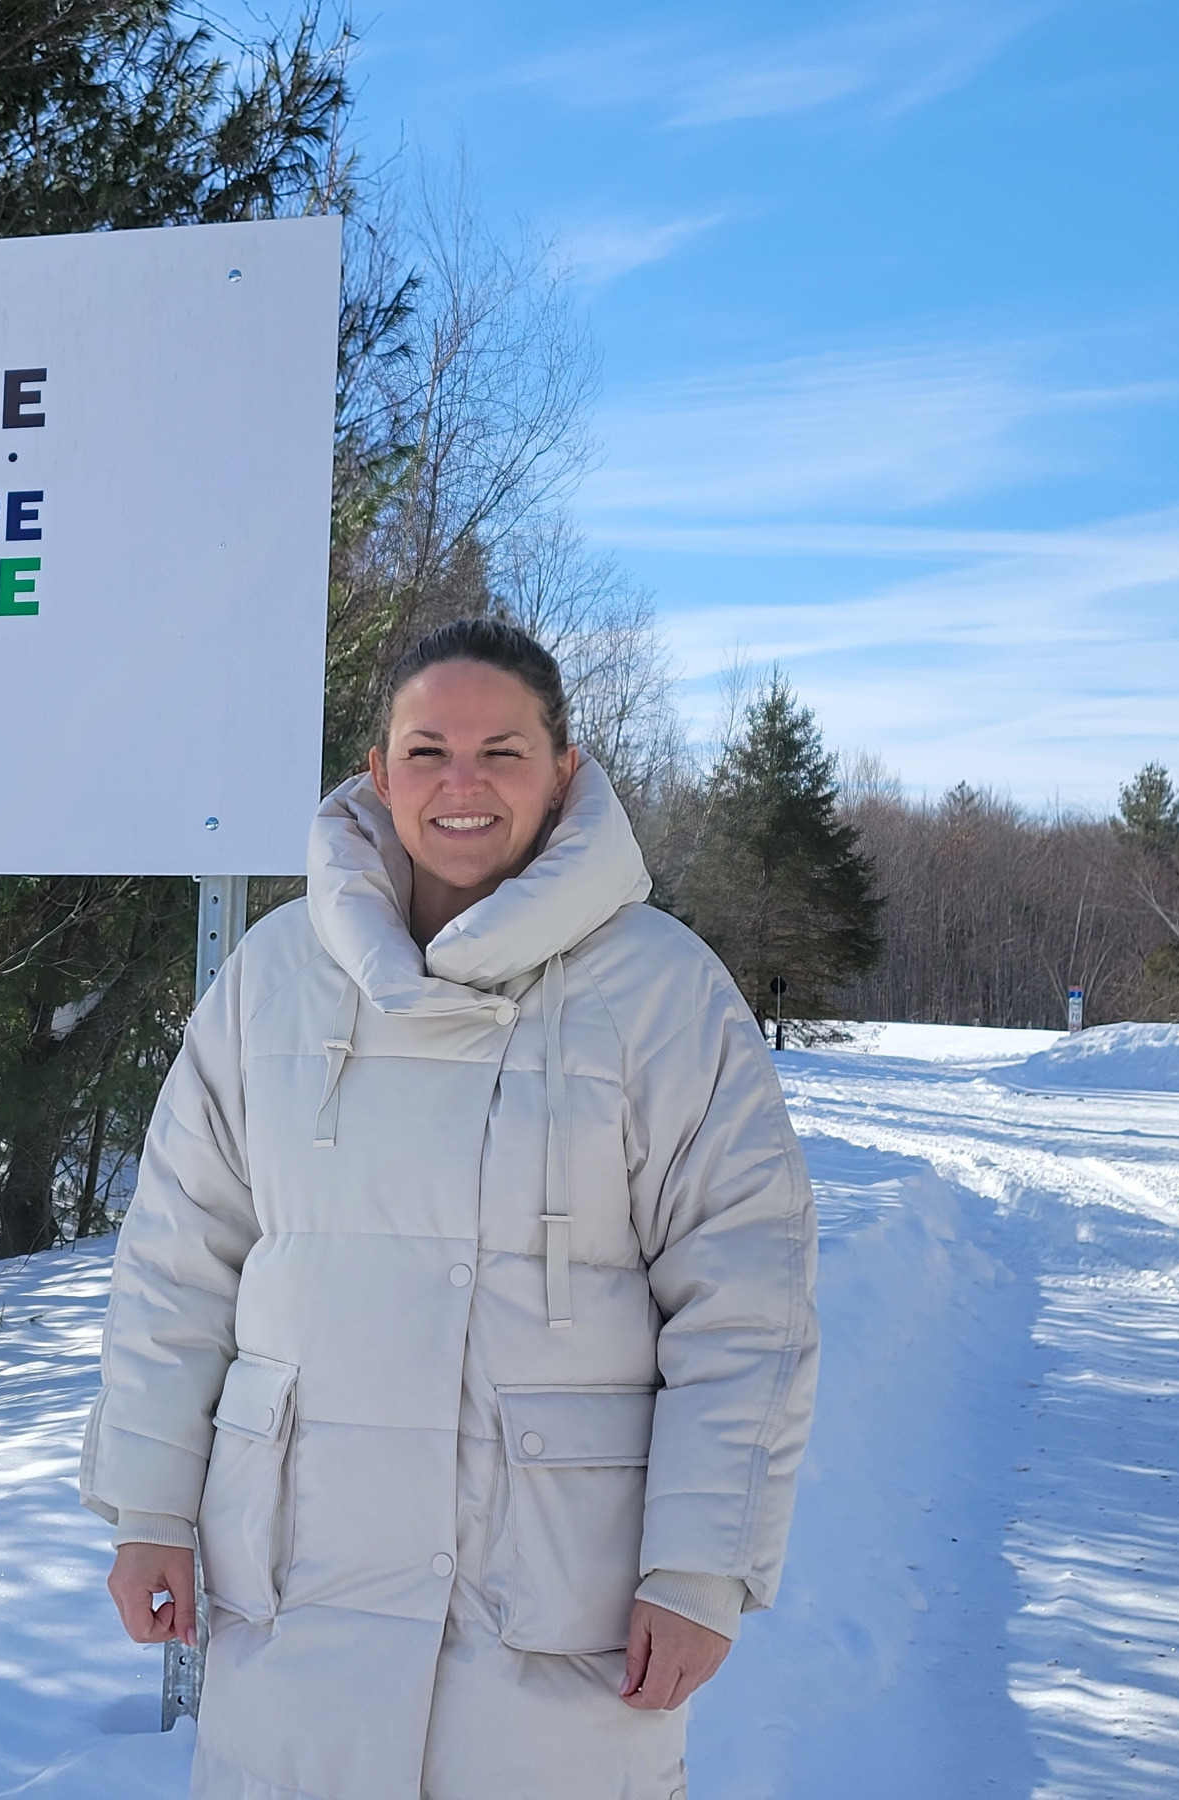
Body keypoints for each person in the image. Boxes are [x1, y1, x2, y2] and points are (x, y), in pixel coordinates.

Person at [81, 618, 818, 1799]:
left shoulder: (665, 989)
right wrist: (147, 1506)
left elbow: (747, 1309)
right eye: (427, 751)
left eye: (502, 752)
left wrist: (699, 1571)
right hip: (299, 1591)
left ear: (564, 771)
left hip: (554, 1605)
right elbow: (179, 1261)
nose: (460, 785)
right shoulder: (272, 977)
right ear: (377, 772)